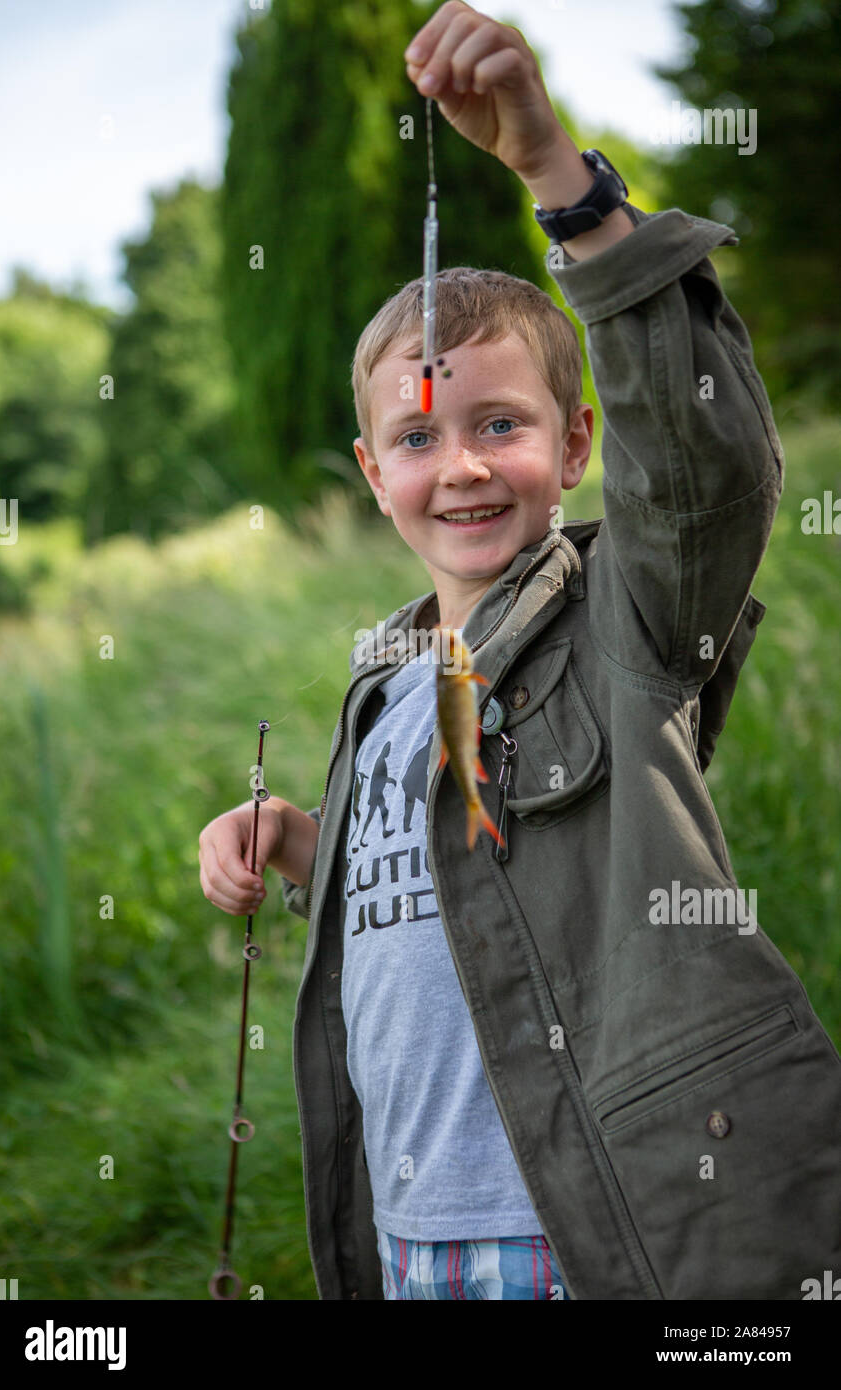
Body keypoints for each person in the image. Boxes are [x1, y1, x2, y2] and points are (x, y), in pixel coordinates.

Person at [199, 0, 841, 1300]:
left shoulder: (628, 614)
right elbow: (463, 865)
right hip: (408, 1226)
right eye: (422, 438)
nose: (465, 465)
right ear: (376, 476)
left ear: (579, 443)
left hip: (594, 1220)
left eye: (502, 422)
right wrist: (300, 838)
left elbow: (707, 464)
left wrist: (558, 176)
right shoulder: (383, 690)